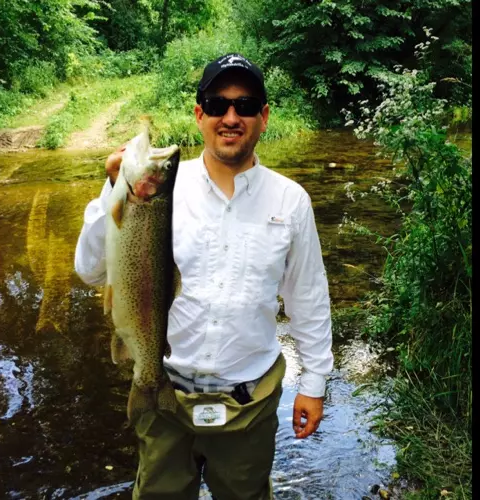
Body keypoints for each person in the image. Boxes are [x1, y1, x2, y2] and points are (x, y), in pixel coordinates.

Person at [74, 53, 333, 500]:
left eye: (246, 105)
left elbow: (307, 296)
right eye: (217, 104)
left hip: (250, 402)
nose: (231, 117)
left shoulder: (291, 201)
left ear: (264, 117)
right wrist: (112, 191)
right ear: (200, 115)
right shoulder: (159, 189)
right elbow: (91, 272)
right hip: (162, 389)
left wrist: (314, 384)